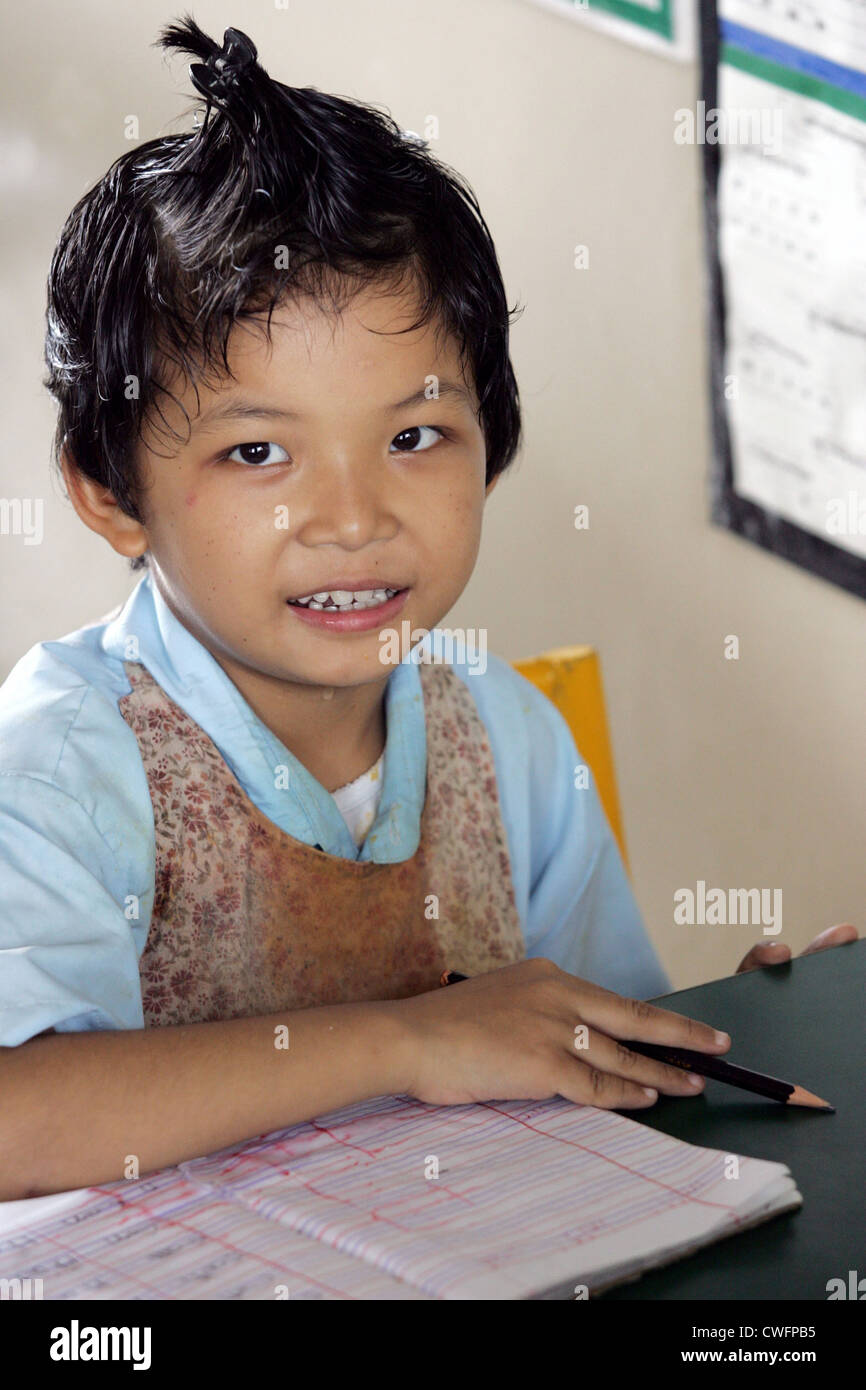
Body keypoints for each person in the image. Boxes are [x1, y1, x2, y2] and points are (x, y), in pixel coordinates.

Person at [0, 17, 853, 1201]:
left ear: (490, 446)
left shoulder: (504, 737)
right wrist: (405, 1040)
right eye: (257, 452)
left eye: (413, 436)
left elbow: (584, 1035)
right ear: (107, 491)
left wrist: (723, 1032)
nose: (352, 518)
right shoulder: (58, 768)